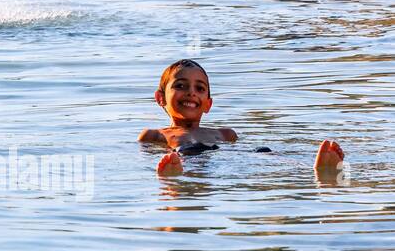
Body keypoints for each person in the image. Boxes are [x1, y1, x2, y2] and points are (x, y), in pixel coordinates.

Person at [141, 59, 346, 177]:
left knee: (263, 151)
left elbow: (238, 154)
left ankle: (312, 168)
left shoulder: (225, 134)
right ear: (160, 98)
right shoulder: (155, 134)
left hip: (230, 157)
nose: (191, 93)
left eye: (199, 88)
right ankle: (173, 177)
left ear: (208, 104)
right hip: (187, 156)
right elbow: (146, 157)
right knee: (181, 155)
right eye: (180, 86)